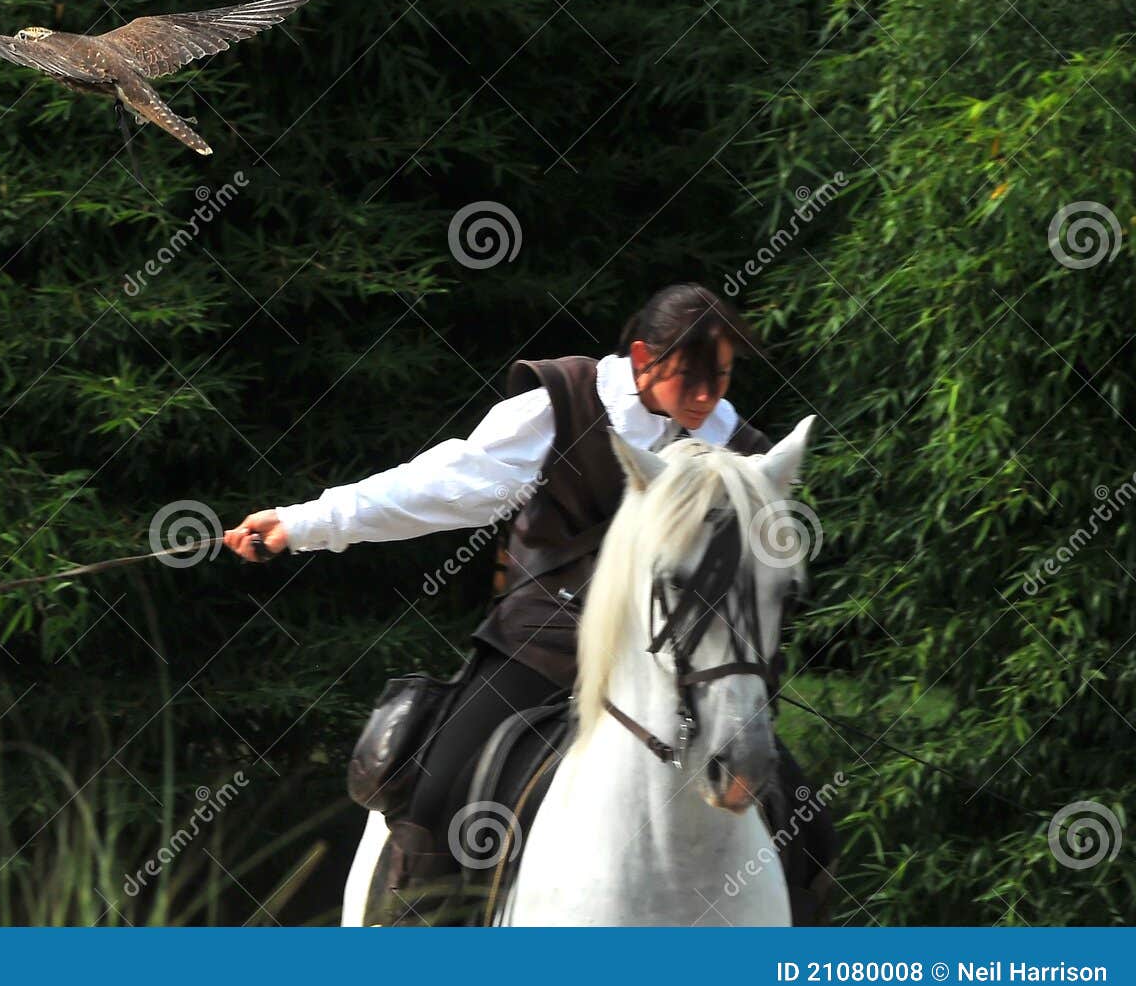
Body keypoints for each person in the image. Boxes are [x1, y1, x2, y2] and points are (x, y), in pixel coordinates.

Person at [224, 282, 838, 924]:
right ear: (641, 356)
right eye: (692, 377)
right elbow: (449, 484)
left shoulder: (735, 447)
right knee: (436, 786)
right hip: (543, 642)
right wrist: (306, 522)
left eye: (722, 376)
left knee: (806, 820)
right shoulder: (564, 402)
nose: (708, 395)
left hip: (683, 663)